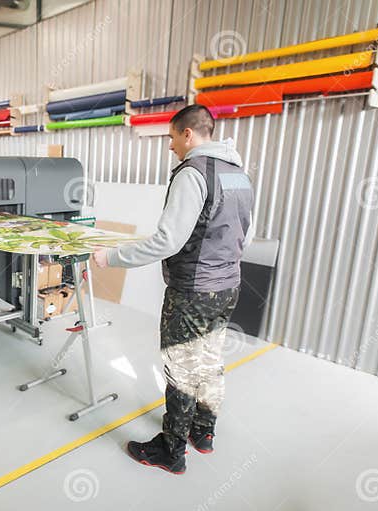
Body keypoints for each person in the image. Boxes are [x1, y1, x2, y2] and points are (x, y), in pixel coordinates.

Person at [92, 104, 254, 475]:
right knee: (210, 362)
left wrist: (111, 258)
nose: (170, 147)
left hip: (193, 290)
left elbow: (167, 241)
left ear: (188, 134)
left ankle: (171, 449)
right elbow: (248, 233)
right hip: (228, 285)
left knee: (181, 368)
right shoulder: (237, 175)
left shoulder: (193, 174)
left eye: (170, 138)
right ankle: (203, 432)